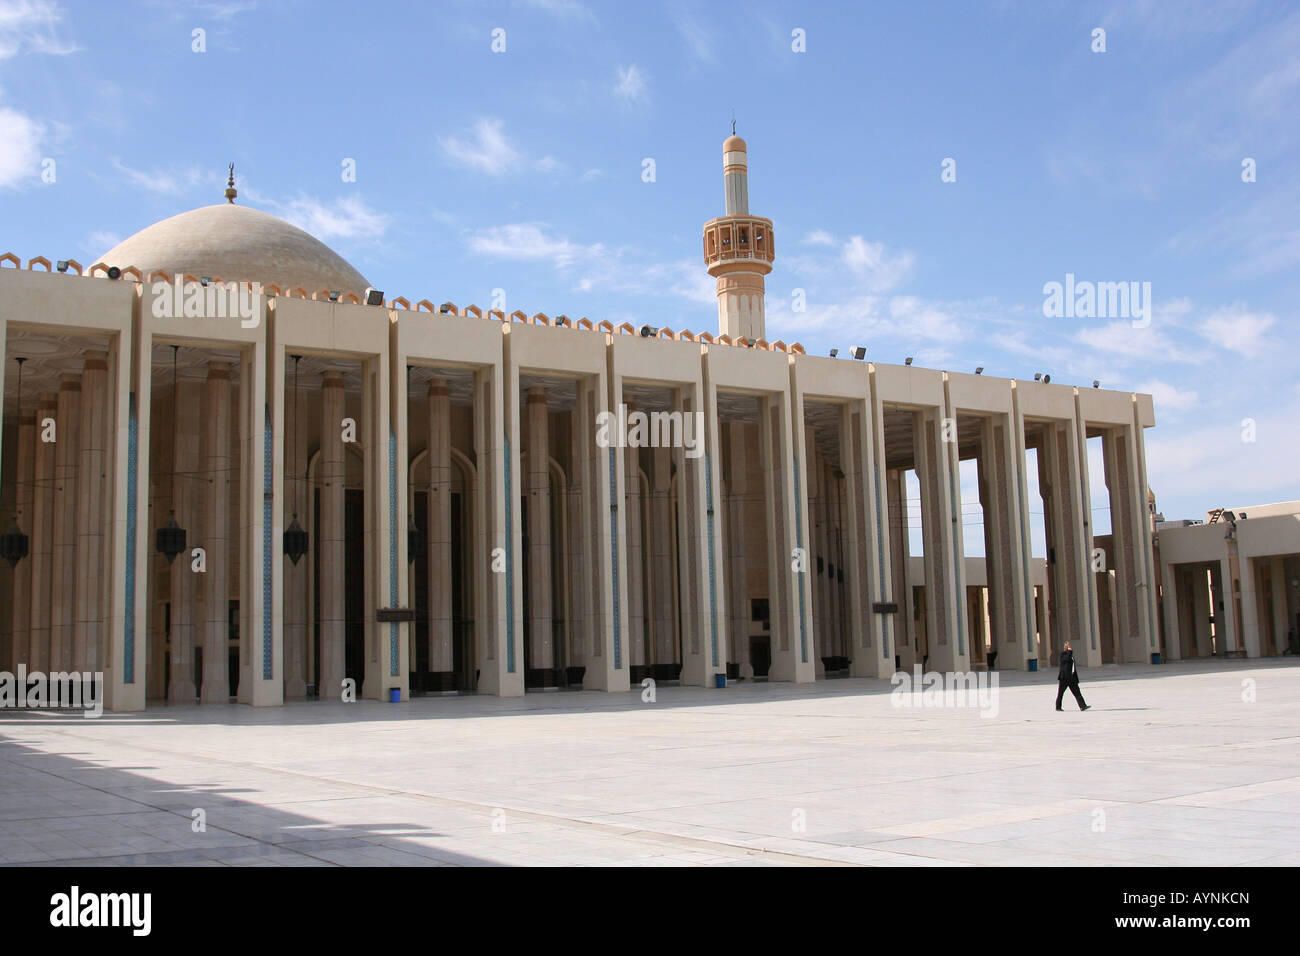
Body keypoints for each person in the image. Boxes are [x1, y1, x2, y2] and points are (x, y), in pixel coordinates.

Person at [1056, 641, 1089, 712]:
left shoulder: (1070, 656)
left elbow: (1072, 665)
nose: (1069, 647)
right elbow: (1067, 658)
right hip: (1064, 678)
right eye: (1067, 646)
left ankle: (1083, 706)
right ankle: (1058, 707)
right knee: (1060, 693)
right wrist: (1070, 650)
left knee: (1077, 692)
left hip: (1072, 678)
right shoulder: (1063, 654)